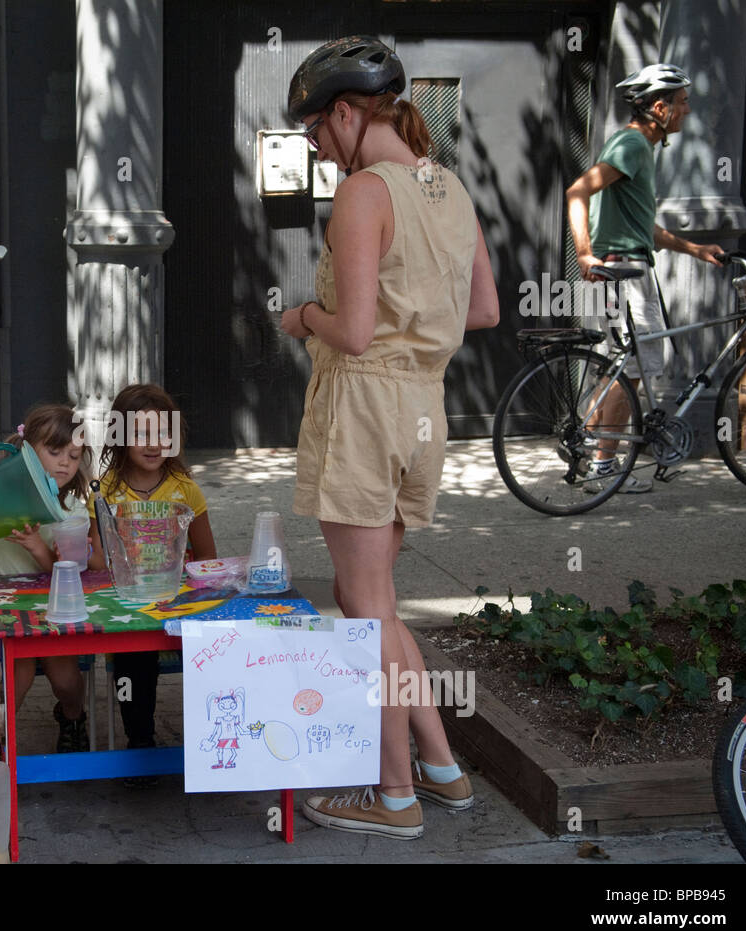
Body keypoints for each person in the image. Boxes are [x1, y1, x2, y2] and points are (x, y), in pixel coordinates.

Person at [280, 36, 500, 839]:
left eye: (315, 130)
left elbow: (356, 329)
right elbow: (484, 311)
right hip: (423, 409)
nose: (315, 146)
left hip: (364, 406)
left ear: (346, 111)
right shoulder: (448, 186)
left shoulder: (365, 192)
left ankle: (394, 793)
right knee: (371, 600)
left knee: (365, 613)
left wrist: (302, 315)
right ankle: (440, 762)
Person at [565, 64, 724, 493]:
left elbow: (644, 225)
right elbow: (577, 190)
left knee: (619, 367)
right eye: (682, 103)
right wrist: (584, 252)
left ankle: (586, 446)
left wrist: (695, 249)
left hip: (623, 268)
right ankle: (604, 466)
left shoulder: (636, 148)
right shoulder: (633, 145)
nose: (687, 111)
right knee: (630, 371)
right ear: (660, 107)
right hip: (625, 275)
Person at [0, 404, 103, 753]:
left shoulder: (71, 510)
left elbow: (68, 577)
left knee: (67, 678)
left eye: (73, 456)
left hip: (53, 609)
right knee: (18, 665)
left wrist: (38, 548)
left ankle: (73, 717)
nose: (64, 463)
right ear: (27, 450)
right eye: (54, 452)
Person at [89, 384, 216, 770]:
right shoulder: (106, 491)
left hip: (177, 602)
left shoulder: (186, 490)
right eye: (141, 434)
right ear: (119, 437)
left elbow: (208, 556)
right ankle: (140, 742)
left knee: (215, 650)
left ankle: (214, 738)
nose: (154, 443)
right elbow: (97, 562)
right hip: (126, 602)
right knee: (133, 660)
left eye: (163, 433)